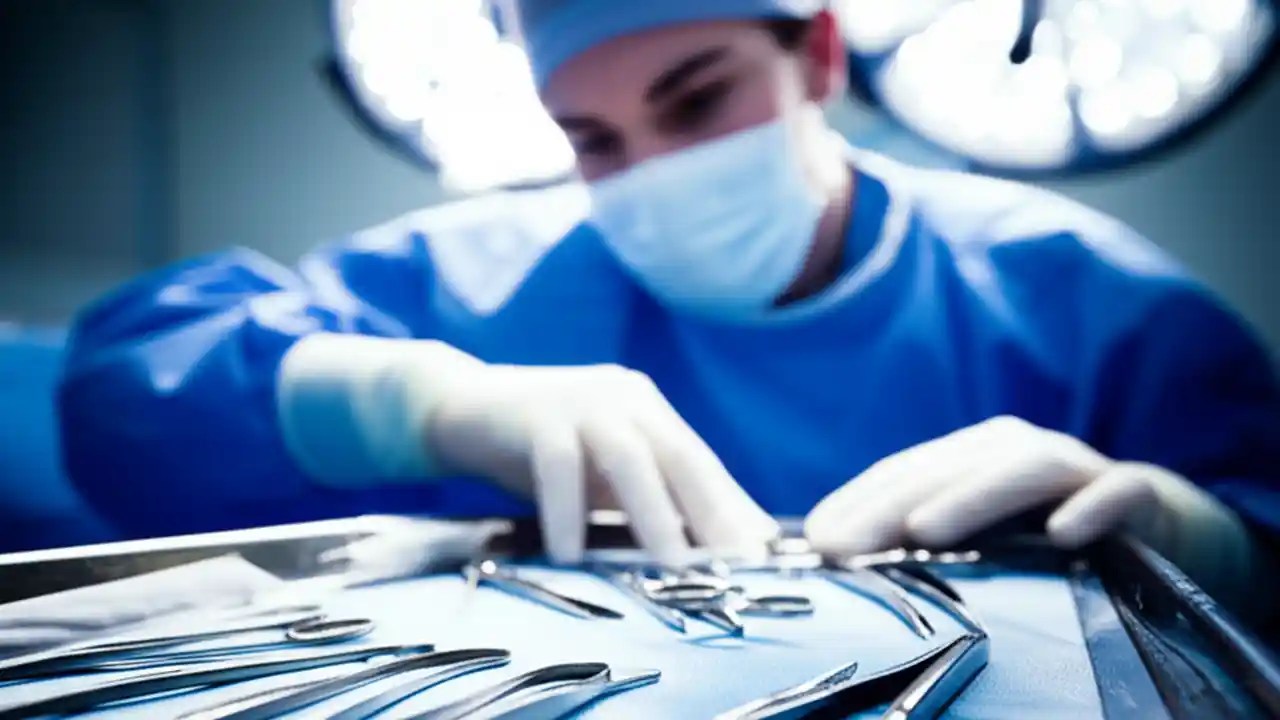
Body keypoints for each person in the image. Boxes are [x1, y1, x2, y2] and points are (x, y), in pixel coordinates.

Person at [59, 0, 1279, 625]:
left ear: (814, 59)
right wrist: (417, 404)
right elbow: (121, 390)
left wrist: (1207, 547)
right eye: (588, 138)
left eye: (694, 104)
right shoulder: (479, 282)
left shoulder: (1076, 299)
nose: (644, 173)